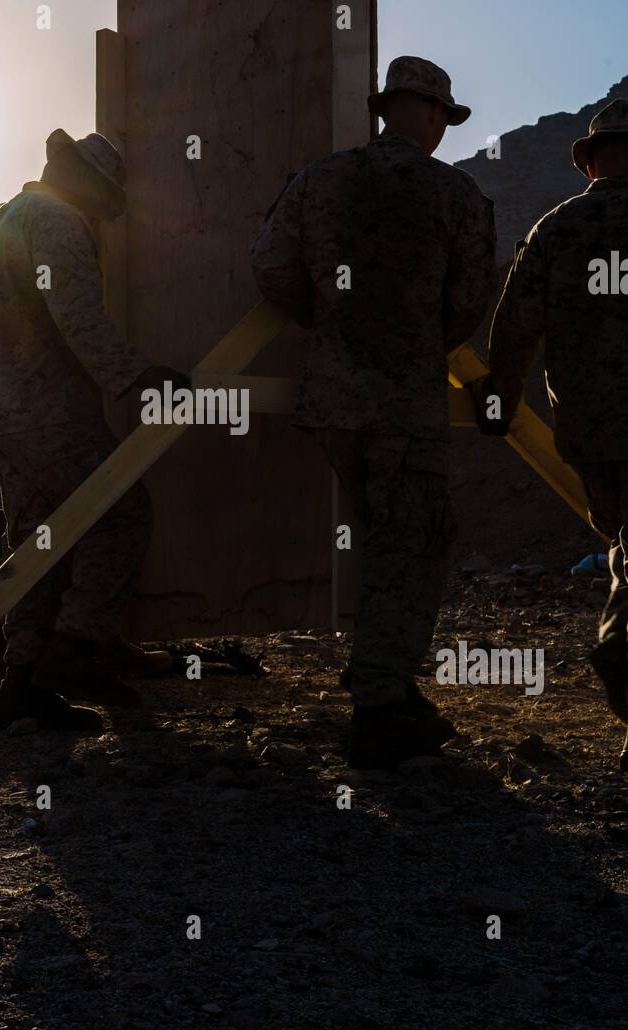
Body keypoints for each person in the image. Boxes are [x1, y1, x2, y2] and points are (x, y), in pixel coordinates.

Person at [251, 56, 497, 768]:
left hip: (332, 399)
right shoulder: (454, 194)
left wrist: (332, 322)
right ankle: (383, 705)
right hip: (404, 401)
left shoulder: (317, 180)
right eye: (443, 120)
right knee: (414, 539)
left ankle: (376, 674)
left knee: (382, 533)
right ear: (426, 114)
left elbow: (268, 267)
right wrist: (415, 336)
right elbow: (471, 298)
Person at [0, 128, 183, 729]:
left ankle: (20, 683)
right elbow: (77, 315)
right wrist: (138, 379)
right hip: (51, 415)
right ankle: (77, 649)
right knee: (122, 513)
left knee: (39, 548)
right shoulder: (57, 222)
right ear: (84, 180)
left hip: (0, 418)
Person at [479, 98, 628, 726]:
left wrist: (501, 397)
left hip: (593, 431)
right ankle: (622, 649)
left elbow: (515, 326)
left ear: (591, 164)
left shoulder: (557, 227)